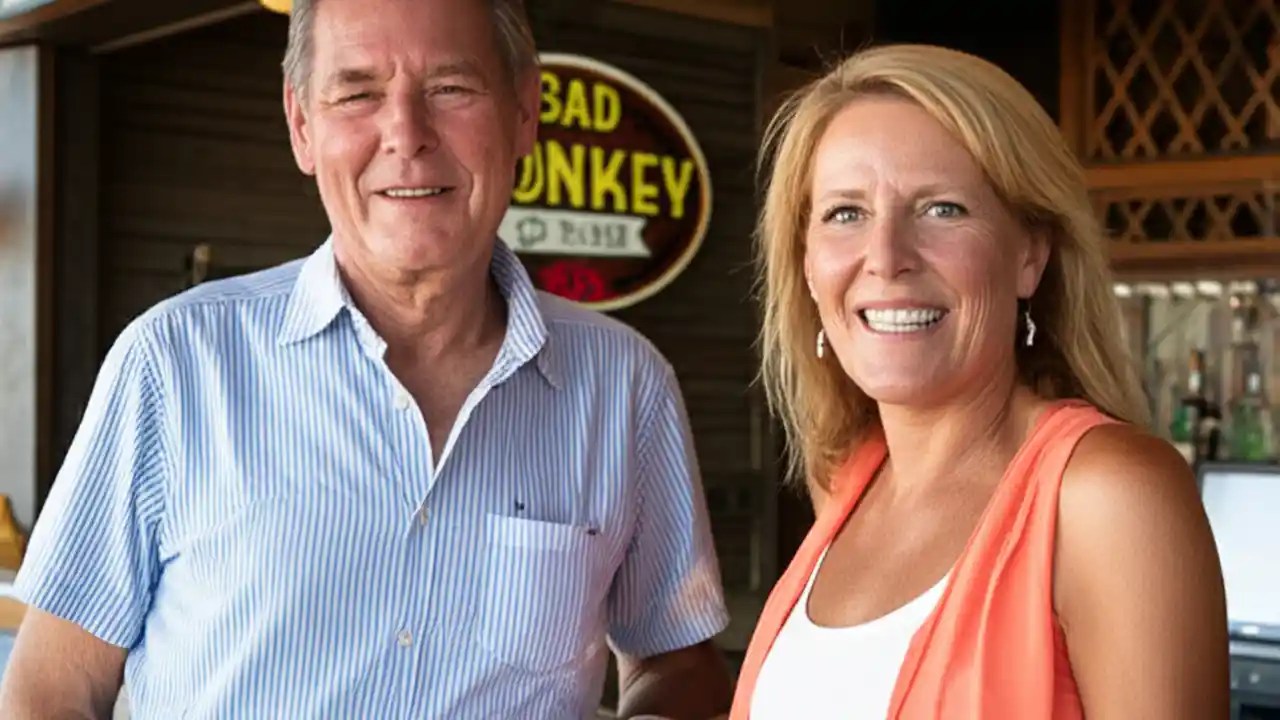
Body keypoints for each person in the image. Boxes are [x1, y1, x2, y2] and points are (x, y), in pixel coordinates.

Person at [0, 0, 734, 717]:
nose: (406, 133)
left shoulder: (625, 386)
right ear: (301, 126)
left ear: (523, 112)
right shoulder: (175, 365)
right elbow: (52, 689)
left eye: (451, 88)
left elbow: (676, 663)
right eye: (357, 93)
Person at [732, 44, 1230, 719]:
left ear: (1030, 254)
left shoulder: (1109, 497)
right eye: (846, 213)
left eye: (941, 209)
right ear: (807, 263)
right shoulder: (847, 481)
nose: (886, 259)